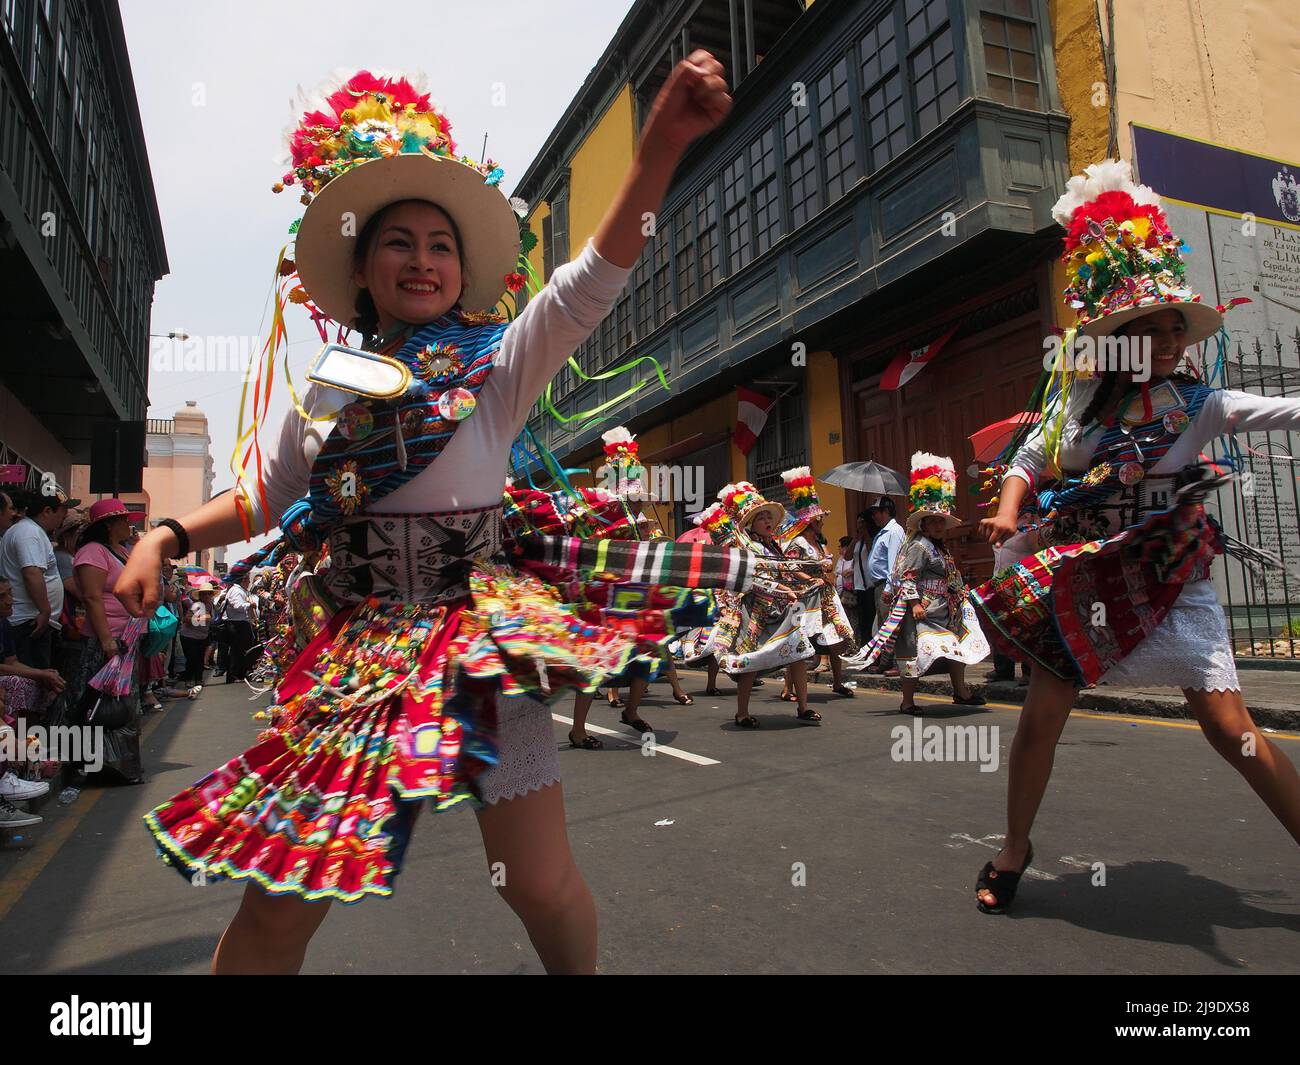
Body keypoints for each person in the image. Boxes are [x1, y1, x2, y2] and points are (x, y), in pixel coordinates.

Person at [115, 62, 733, 975]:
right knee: (284, 899)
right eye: (397, 242)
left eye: (440, 244)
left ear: (464, 269)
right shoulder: (325, 395)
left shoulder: (500, 365)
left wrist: (662, 146)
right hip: (359, 655)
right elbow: (262, 496)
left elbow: (589, 282)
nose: (421, 259)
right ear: (361, 270)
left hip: (473, 637)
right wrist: (166, 534)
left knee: (537, 882)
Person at [971, 160, 1300, 914]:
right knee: (1040, 720)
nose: (1158, 340)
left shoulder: (1204, 405)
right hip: (1085, 584)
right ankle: (1015, 849)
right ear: (1113, 340)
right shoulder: (1082, 412)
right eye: (1141, 329)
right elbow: (1027, 454)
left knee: (1229, 728)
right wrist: (1009, 508)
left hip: (1174, 585)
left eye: (1168, 327)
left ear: (1184, 336)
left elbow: (1282, 410)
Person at [850, 453, 989, 712]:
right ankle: (907, 701)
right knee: (913, 652)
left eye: (941, 521)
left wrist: (961, 591)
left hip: (943, 609)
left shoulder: (940, 548)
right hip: (920, 611)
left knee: (955, 648)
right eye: (933, 521)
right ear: (923, 524)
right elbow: (908, 575)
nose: (938, 525)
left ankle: (961, 691)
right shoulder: (918, 547)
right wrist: (914, 603)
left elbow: (949, 575)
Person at [708, 482, 821, 726]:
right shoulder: (749, 548)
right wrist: (783, 589)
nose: (768, 521)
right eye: (762, 518)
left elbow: (783, 571)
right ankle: (742, 713)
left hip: (782, 610)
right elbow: (754, 579)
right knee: (751, 660)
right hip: (757, 613)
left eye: (769, 517)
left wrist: (805, 579)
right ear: (751, 524)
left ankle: (803, 706)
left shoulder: (773, 545)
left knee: (799, 654)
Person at [71, 498, 146, 784]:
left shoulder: (122, 552)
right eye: (125, 520)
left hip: (126, 638)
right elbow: (91, 597)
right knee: (98, 705)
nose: (130, 525)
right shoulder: (92, 552)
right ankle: (93, 766)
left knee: (124, 705)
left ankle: (123, 766)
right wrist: (106, 641)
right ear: (109, 524)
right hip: (107, 639)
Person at [777, 467, 856, 698]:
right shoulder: (798, 543)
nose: (822, 521)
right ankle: (787, 688)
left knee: (836, 638)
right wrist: (811, 577)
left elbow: (828, 564)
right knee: (798, 642)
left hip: (826, 596)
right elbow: (789, 567)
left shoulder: (820, 544)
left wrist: (824, 567)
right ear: (811, 522)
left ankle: (838, 682)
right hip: (804, 597)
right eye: (819, 519)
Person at [0, 576, 66, 813]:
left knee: (42, 682)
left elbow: (12, 661)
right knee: (19, 684)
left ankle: (31, 754)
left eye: (9, 593)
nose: (10, 601)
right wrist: (37, 675)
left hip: (6, 675)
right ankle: (13, 763)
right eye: (3, 597)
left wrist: (42, 674)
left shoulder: (4, 625)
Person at [0, 487, 76, 669]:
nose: (64, 516)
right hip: (29, 622)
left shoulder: (30, 531)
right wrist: (44, 611)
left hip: (31, 621)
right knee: (33, 683)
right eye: (63, 511)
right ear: (47, 511)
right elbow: (31, 572)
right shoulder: (29, 533)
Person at [179, 581, 217, 694]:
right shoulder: (196, 605)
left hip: (202, 636)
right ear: (200, 595)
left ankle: (198, 679)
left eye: (209, 594)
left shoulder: (211, 606)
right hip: (189, 636)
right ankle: (189, 679)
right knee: (192, 658)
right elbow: (187, 620)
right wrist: (203, 618)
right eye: (204, 594)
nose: (206, 596)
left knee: (200, 658)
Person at [220, 573, 258, 685]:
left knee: (241, 649)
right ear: (243, 580)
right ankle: (234, 675)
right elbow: (237, 605)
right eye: (247, 579)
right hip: (236, 624)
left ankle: (240, 673)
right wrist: (249, 605)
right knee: (237, 650)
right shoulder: (236, 591)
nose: (249, 582)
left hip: (240, 623)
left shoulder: (240, 590)